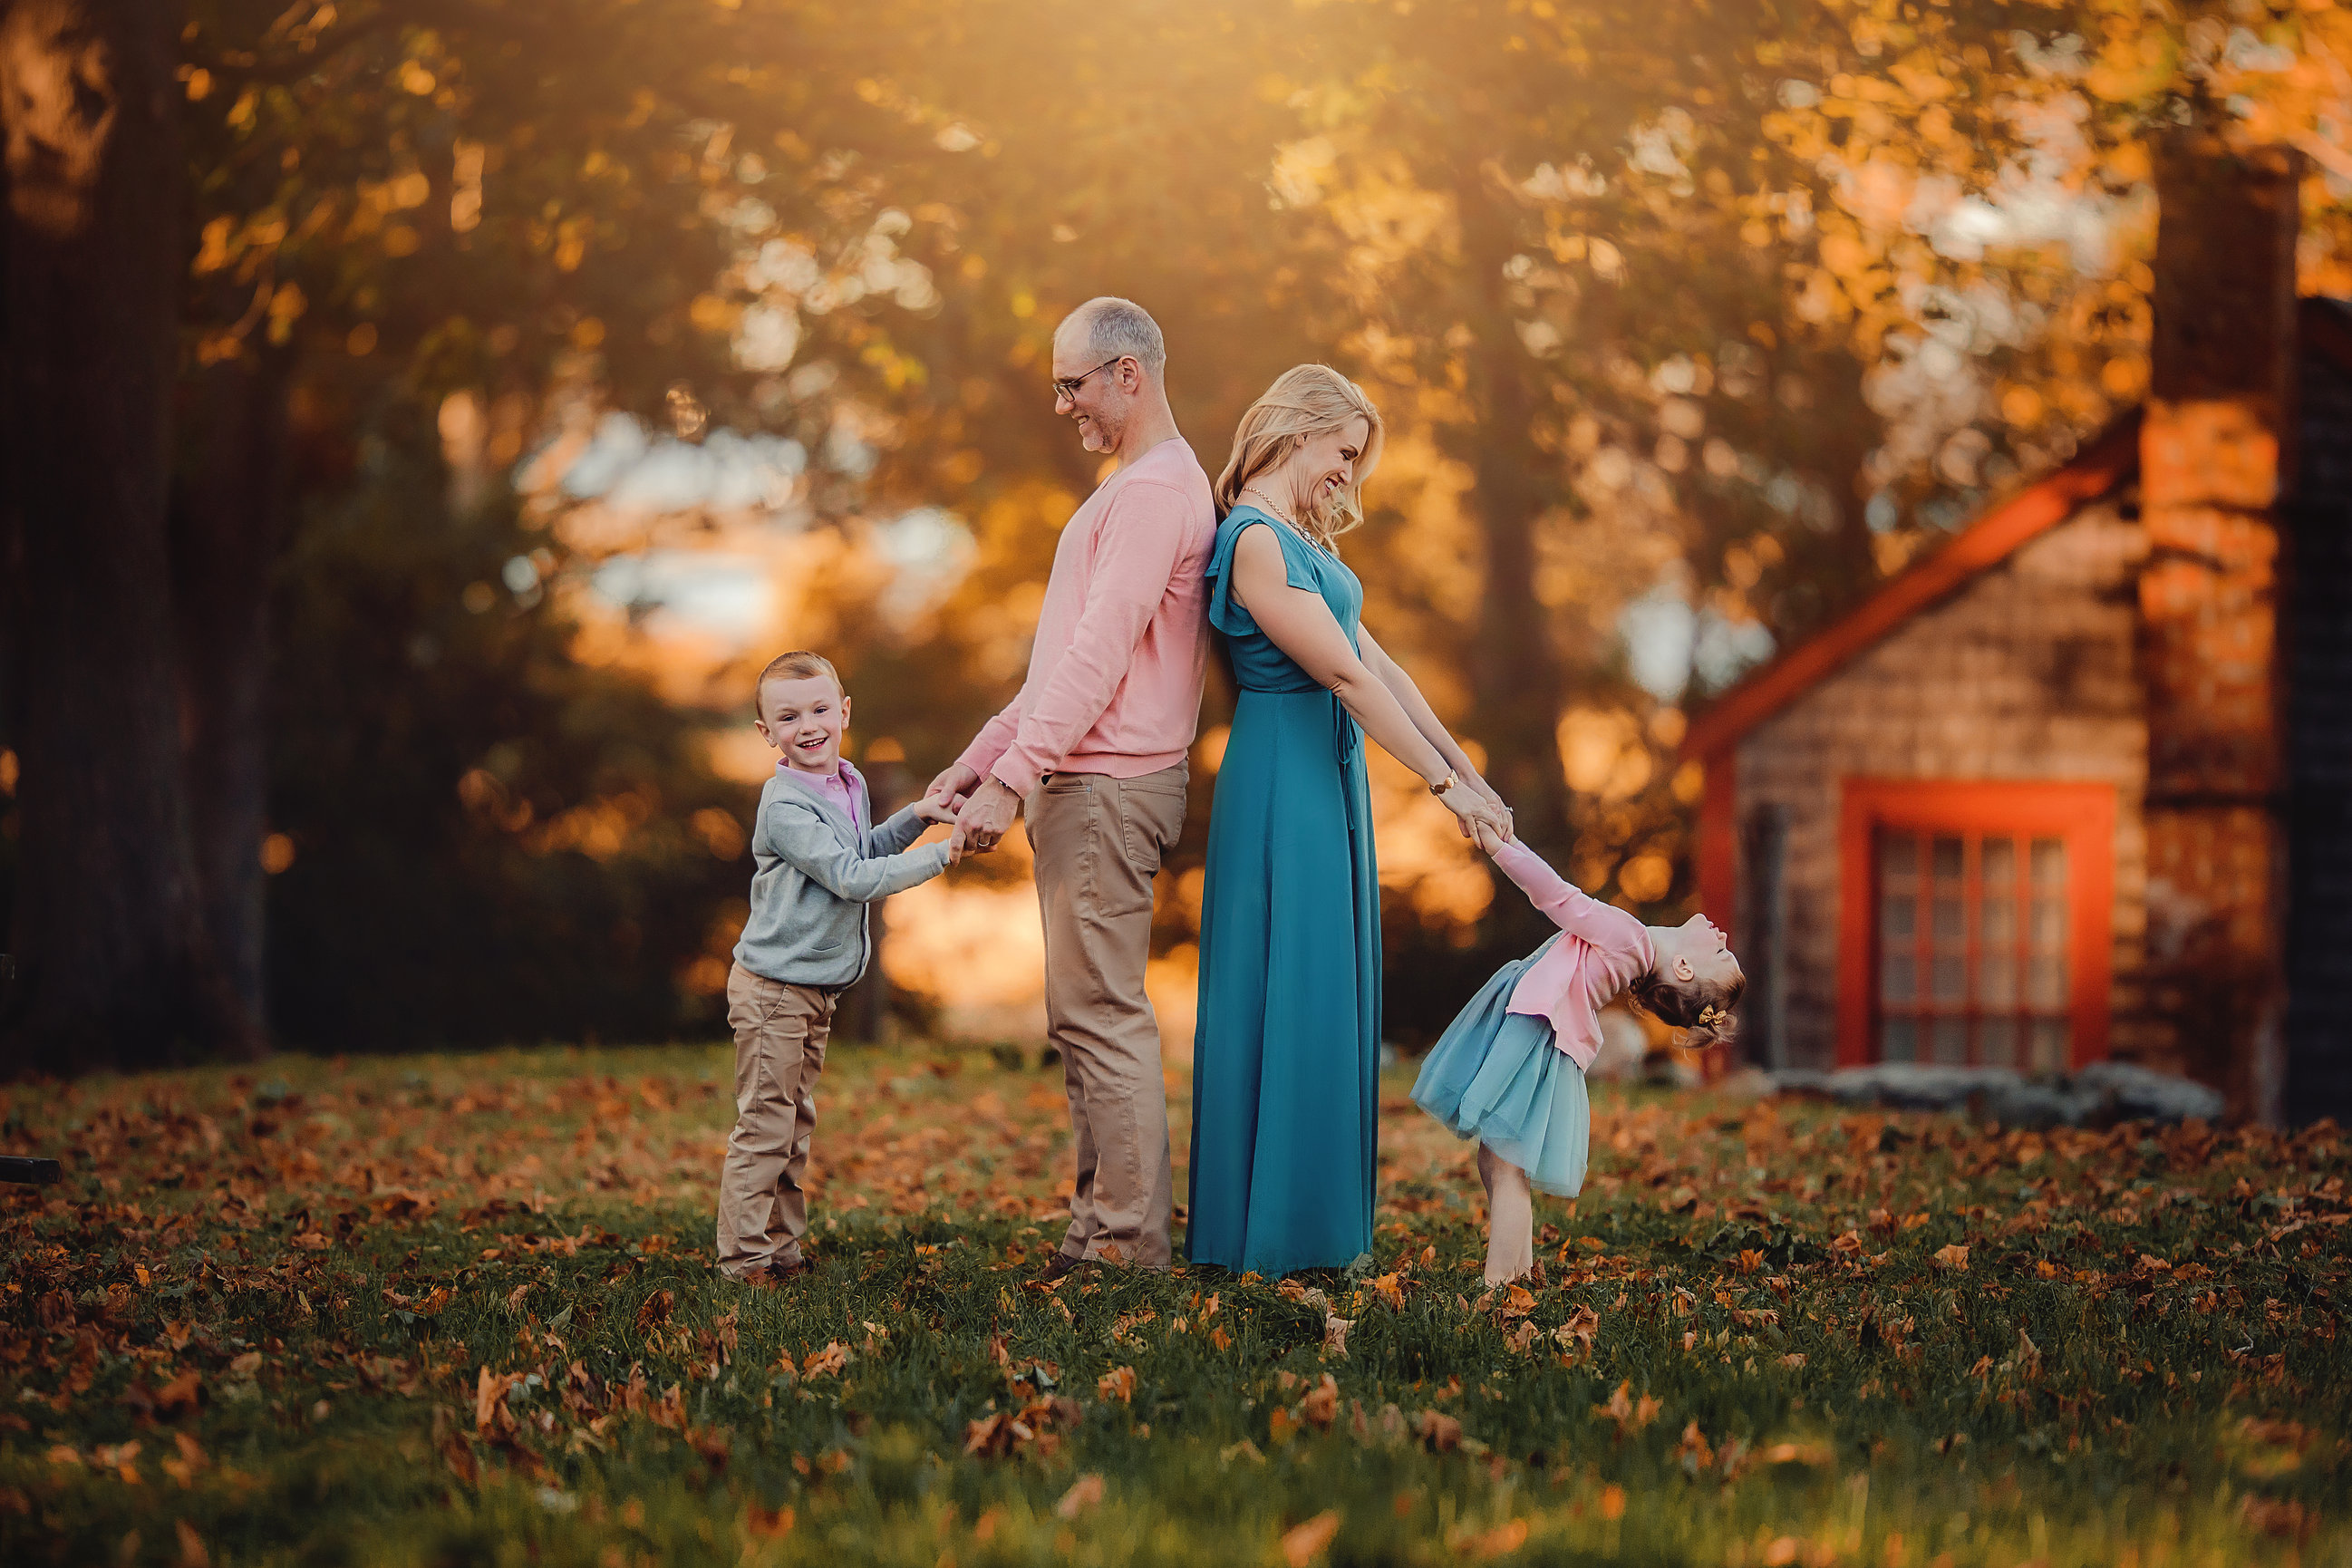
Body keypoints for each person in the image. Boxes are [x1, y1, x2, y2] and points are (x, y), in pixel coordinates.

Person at [1188, 364, 1512, 1279]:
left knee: (1329, 985)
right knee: (1290, 983)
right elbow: (1343, 677)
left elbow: (1387, 670)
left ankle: (1322, 1227)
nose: (1348, 474)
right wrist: (1445, 794)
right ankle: (1269, 1233)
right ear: (1300, 429)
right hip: (1282, 781)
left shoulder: (1306, 540)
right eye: (1342, 452)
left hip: (1330, 780)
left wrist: (1465, 770)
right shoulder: (1254, 540)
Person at [926, 297, 1217, 1279]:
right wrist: (982, 754)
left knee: (1101, 1013)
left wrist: (1014, 776)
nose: (1062, 404)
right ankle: (1097, 1232)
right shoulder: (1142, 487)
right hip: (1084, 780)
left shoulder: (1152, 494)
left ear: (1129, 374)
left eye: (1073, 383)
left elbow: (1099, 654)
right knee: (1082, 1014)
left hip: (1104, 787)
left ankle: (1129, 1248)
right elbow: (1067, 661)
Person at [1414, 819, 1745, 1285]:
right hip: (1538, 1037)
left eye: (1722, 955)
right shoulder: (1632, 946)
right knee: (1497, 1162)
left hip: (1533, 1039)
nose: (1725, 940)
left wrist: (1501, 846)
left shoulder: (1629, 938)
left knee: (1506, 1168)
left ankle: (1501, 1288)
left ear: (1685, 967)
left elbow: (1556, 895)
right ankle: (1521, 1275)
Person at [718, 650, 956, 1286]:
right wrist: (941, 856)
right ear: (767, 733)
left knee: (792, 1127)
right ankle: (743, 1263)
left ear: (843, 712)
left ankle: (782, 1250)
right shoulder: (787, 807)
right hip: (774, 991)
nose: (809, 725)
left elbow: (864, 849)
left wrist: (915, 818)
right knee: (765, 1127)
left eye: (820, 709)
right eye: (788, 716)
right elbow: (851, 878)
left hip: (813, 989)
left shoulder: (844, 783)